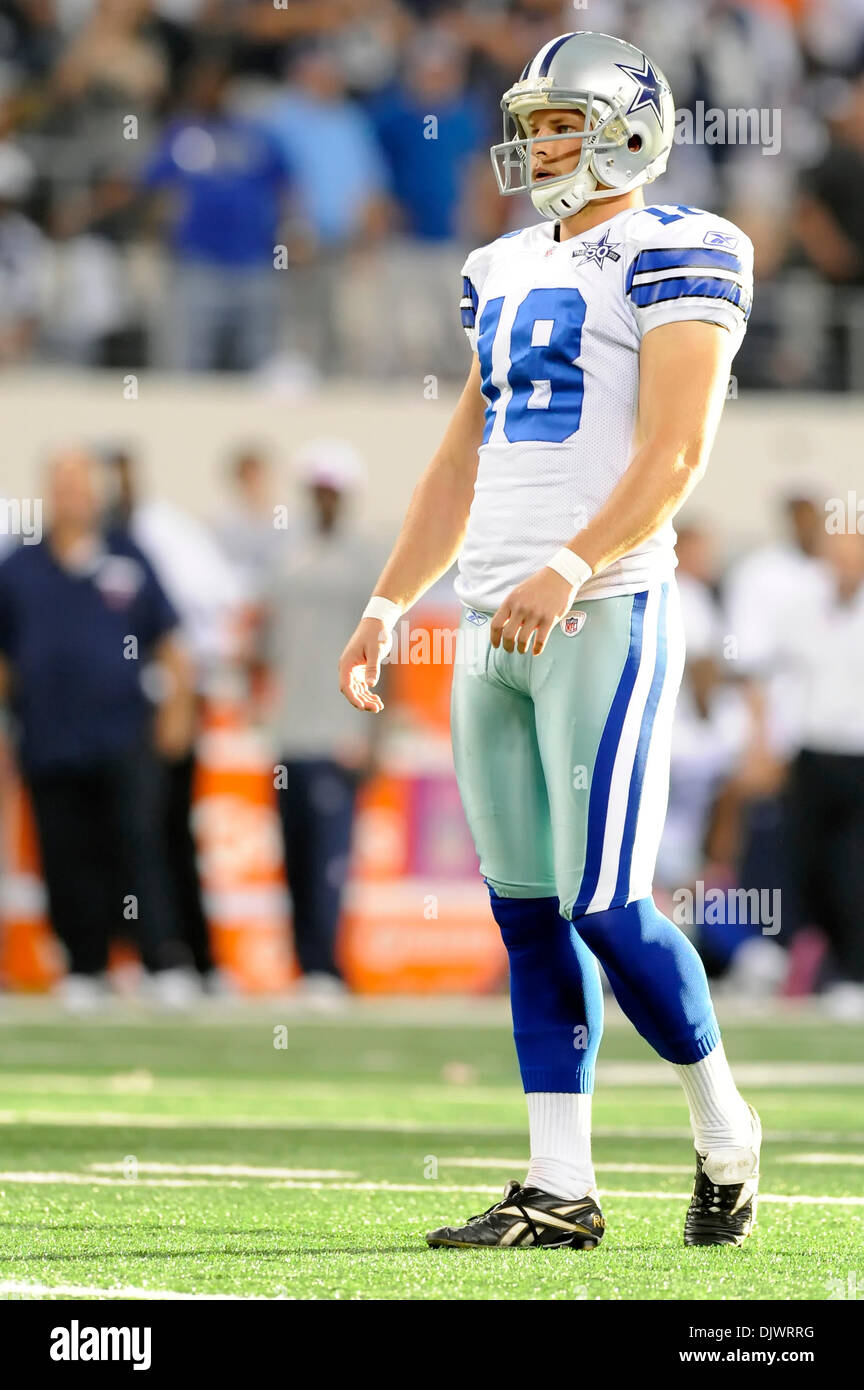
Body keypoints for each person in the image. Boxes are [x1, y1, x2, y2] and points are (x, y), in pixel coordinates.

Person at [339, 31, 760, 1250]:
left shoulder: (687, 245)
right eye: (534, 123)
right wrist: (384, 604)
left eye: (564, 121)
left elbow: (676, 450)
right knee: (525, 913)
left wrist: (571, 562)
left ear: (630, 125)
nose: (540, 145)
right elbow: (464, 454)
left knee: (608, 904)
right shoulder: (501, 263)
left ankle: (725, 1127)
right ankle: (559, 1185)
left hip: (603, 605)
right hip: (486, 620)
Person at [0, 447, 195, 1011]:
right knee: (64, 851)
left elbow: (170, 640)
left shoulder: (128, 556)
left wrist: (177, 710)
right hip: (49, 736)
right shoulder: (20, 566)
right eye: (62, 485)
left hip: (123, 733)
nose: (73, 496)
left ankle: (161, 961)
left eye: (81, 485)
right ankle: (83, 964)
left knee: (139, 844)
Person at [266, 439, 384, 1003]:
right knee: (294, 854)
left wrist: (376, 735)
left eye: (332, 491)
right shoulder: (288, 557)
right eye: (317, 490)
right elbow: (266, 644)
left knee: (329, 860)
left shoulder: (367, 562)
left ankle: (327, 968)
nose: (323, 501)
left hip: (342, 733)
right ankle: (307, 965)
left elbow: (393, 653)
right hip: (291, 732)